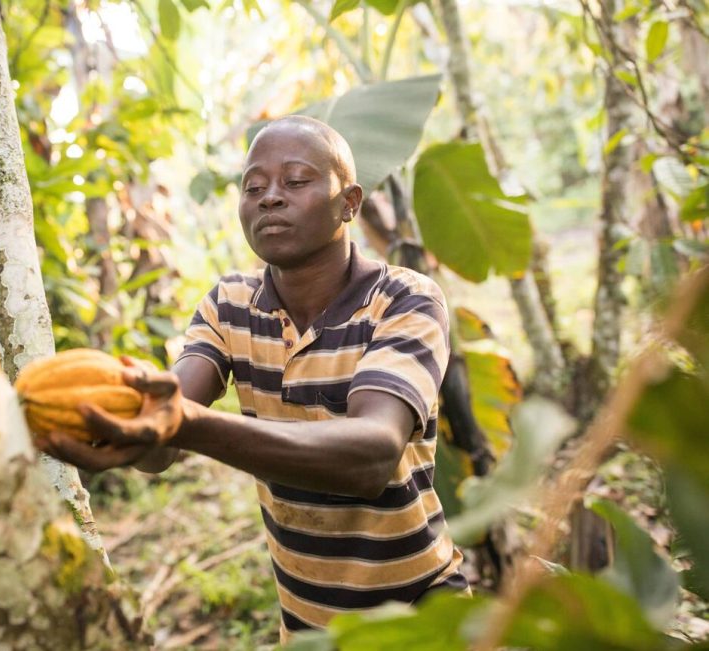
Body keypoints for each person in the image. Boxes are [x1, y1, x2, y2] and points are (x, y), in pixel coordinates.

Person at [46, 115, 469, 642]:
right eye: (253, 186)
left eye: (295, 181)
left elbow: (371, 454)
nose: (270, 197)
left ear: (350, 202)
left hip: (422, 616)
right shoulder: (230, 306)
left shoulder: (405, 300)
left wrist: (184, 426)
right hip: (308, 625)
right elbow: (162, 442)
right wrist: (126, 432)